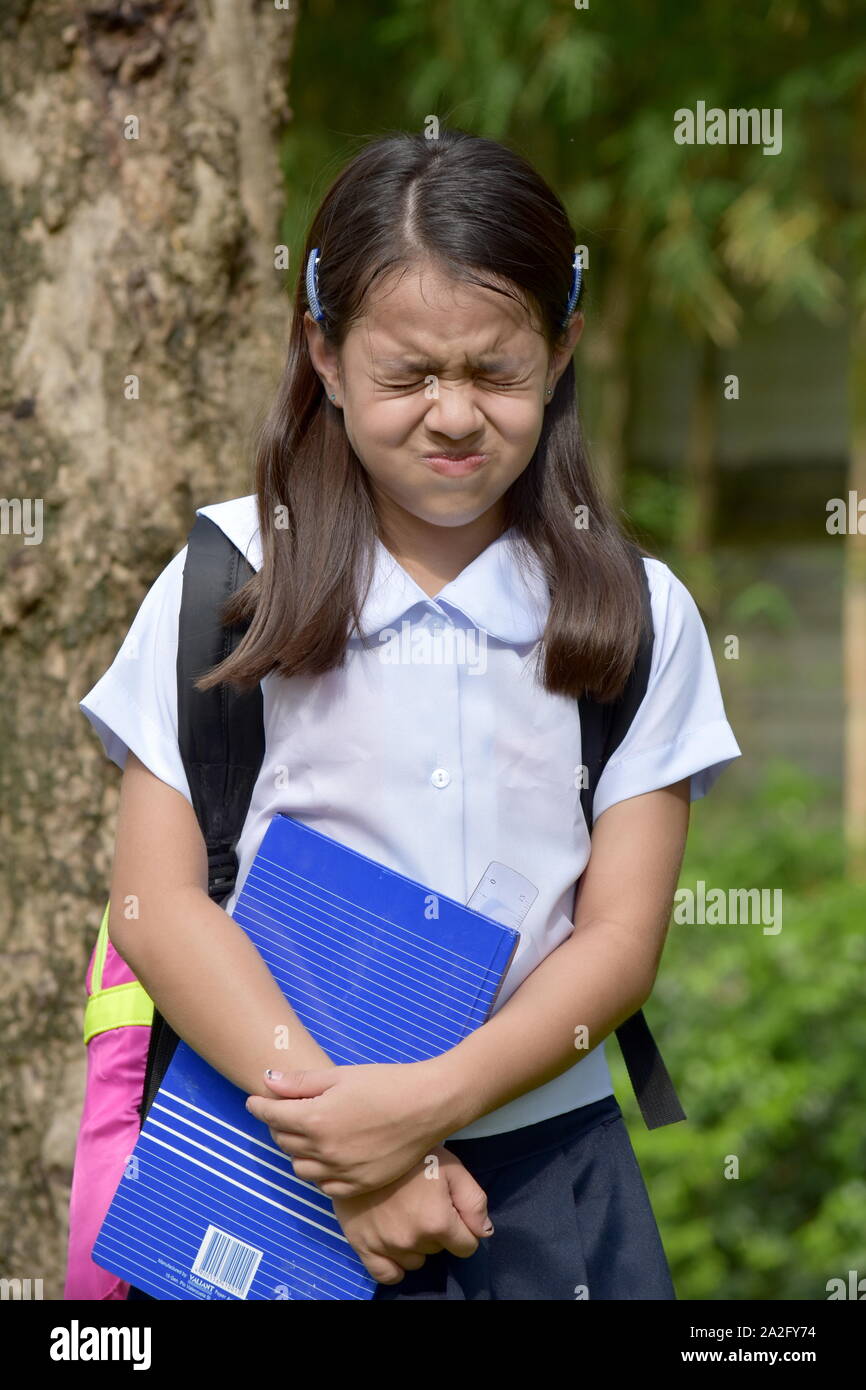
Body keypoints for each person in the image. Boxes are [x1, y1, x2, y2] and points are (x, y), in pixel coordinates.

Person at [80, 128, 742, 1300]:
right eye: (406, 375)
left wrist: (420, 1111)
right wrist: (352, 1150)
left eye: (495, 372)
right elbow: (156, 904)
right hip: (267, 1154)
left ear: (563, 345)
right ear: (324, 353)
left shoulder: (633, 612)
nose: (451, 414)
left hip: (546, 1187)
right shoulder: (227, 584)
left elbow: (617, 944)